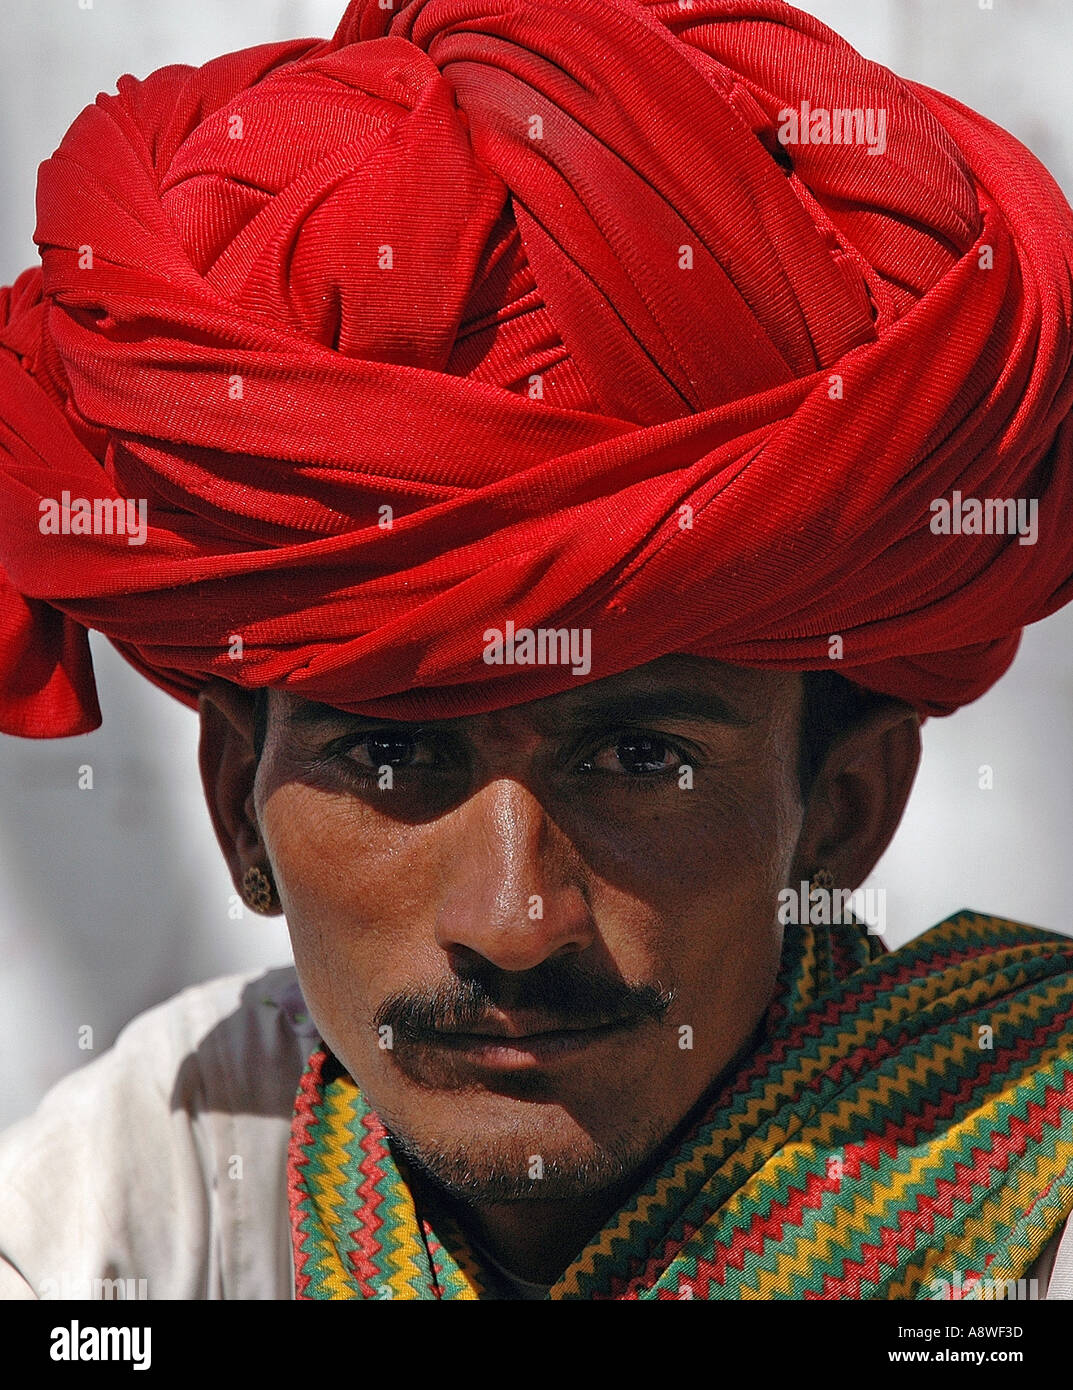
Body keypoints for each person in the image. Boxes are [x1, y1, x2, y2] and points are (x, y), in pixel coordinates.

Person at [0, 0, 1071, 1301]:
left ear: (842, 811)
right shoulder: (129, 1209)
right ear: (236, 805)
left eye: (634, 754)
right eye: (392, 749)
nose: (514, 921)